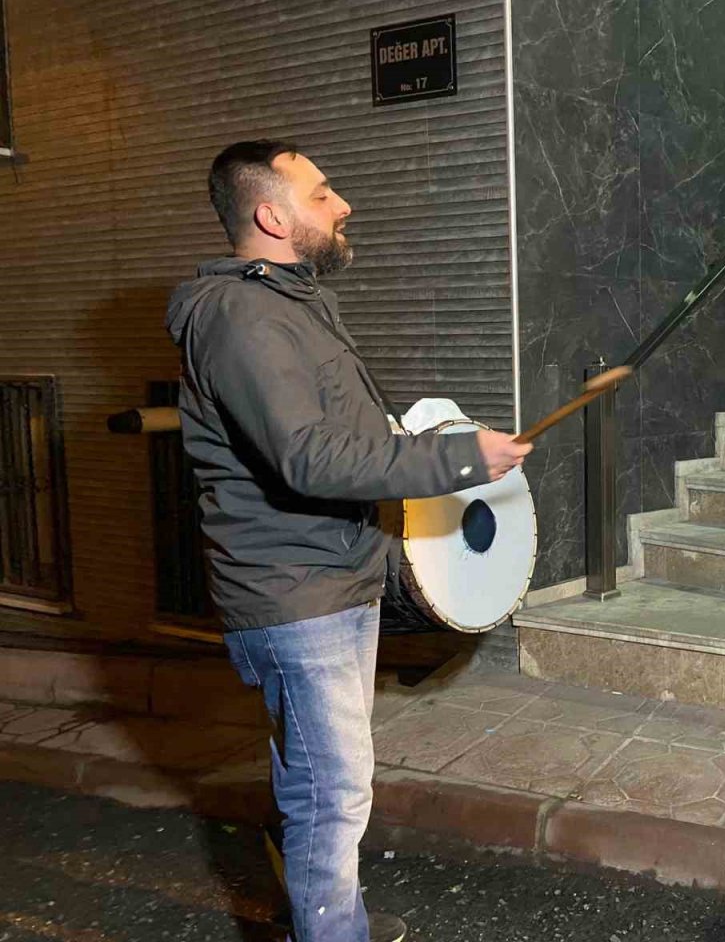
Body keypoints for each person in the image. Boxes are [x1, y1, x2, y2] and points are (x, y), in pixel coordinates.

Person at [164, 139, 532, 942]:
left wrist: (422, 438)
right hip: (298, 596)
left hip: (326, 579)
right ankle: (331, 931)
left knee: (323, 780)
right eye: (323, 193)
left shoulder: (285, 303)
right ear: (272, 213)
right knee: (332, 794)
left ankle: (332, 917)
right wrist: (465, 456)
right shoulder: (243, 316)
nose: (343, 205)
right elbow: (309, 457)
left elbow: (331, 431)